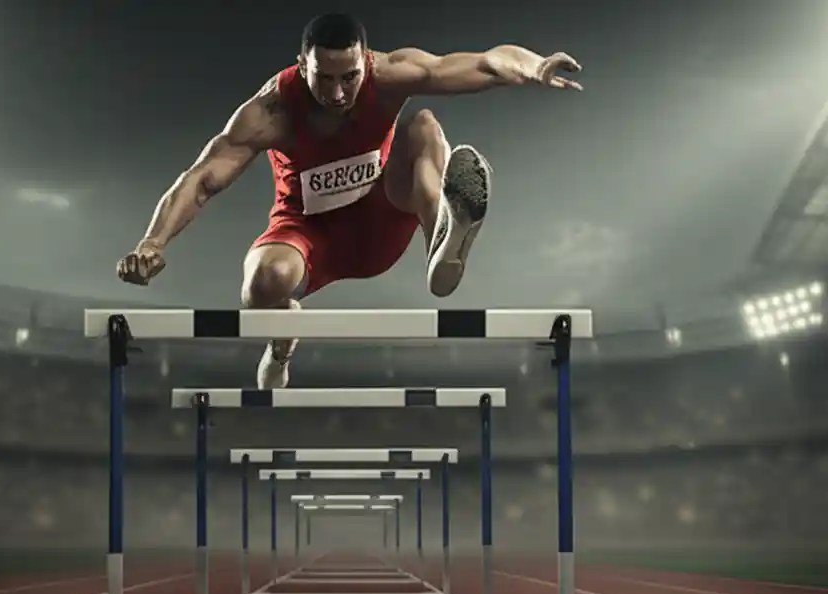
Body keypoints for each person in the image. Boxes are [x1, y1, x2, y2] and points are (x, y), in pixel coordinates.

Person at [116, 12, 582, 388]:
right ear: (302, 66)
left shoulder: (392, 73)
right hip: (307, 231)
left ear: (366, 61)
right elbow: (201, 179)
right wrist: (153, 243)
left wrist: (533, 66)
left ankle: (440, 239)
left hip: (382, 215)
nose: (338, 93)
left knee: (423, 128)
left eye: (350, 77)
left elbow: (482, 64)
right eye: (325, 79)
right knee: (261, 284)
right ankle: (281, 343)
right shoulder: (271, 111)